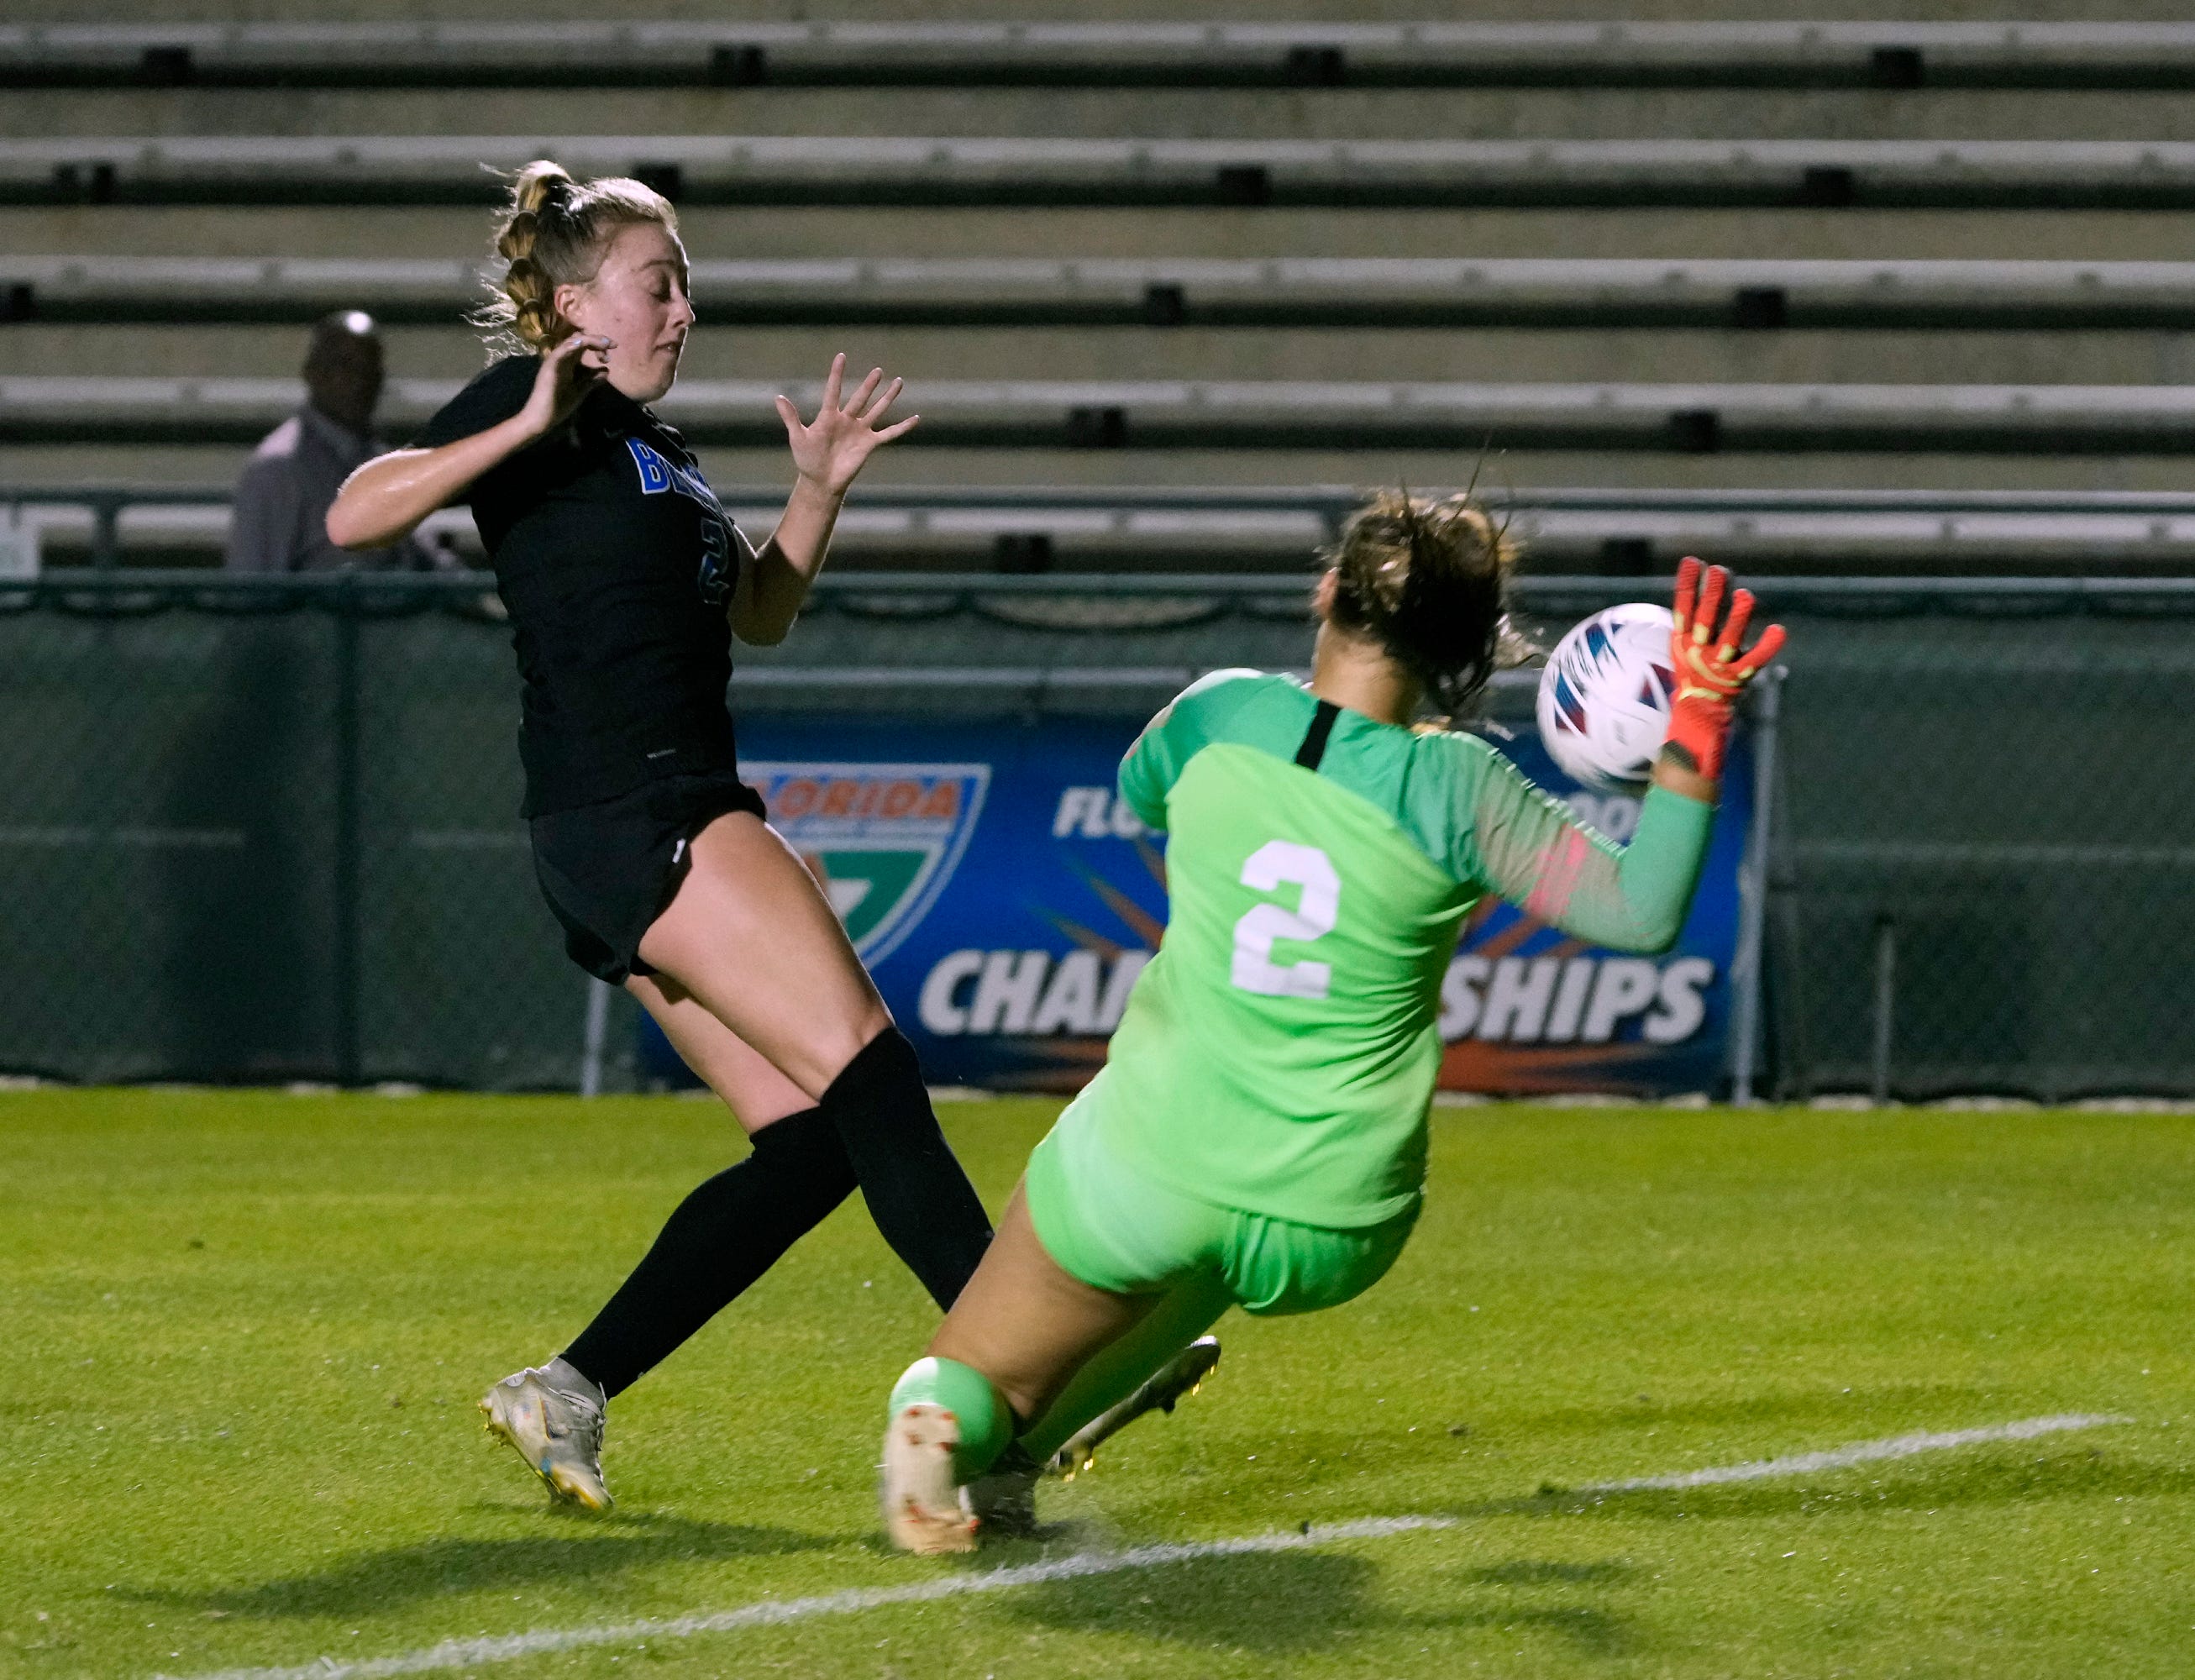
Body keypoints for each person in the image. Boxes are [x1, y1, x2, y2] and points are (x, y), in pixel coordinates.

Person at [874, 493, 1786, 1552]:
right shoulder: (1463, 789)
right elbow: (1642, 911)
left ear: (1326, 592)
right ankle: (1014, 1473)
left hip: (1151, 1158)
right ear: (1468, 647)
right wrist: (1698, 730)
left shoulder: (1218, 714)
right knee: (1206, 1257)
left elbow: (1143, 785)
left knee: (975, 1370)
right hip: (1332, 1208)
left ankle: (936, 1434)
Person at [325, 160, 995, 1513]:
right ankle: (1022, 1373)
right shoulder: (553, 410)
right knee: (875, 1077)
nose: (684, 307)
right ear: (576, 307)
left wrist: (816, 490)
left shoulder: (657, 452)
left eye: (686, 281)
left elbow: (757, 612)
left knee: (814, 1143)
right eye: (658, 281)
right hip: (645, 810)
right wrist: (514, 422)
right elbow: (355, 513)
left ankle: (566, 1389)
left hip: (620, 826)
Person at [228, 310, 436, 574]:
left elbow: (427, 559)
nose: (360, 381)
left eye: (369, 368)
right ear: (313, 373)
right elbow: (252, 589)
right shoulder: (277, 469)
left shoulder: (379, 458)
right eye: (344, 365)